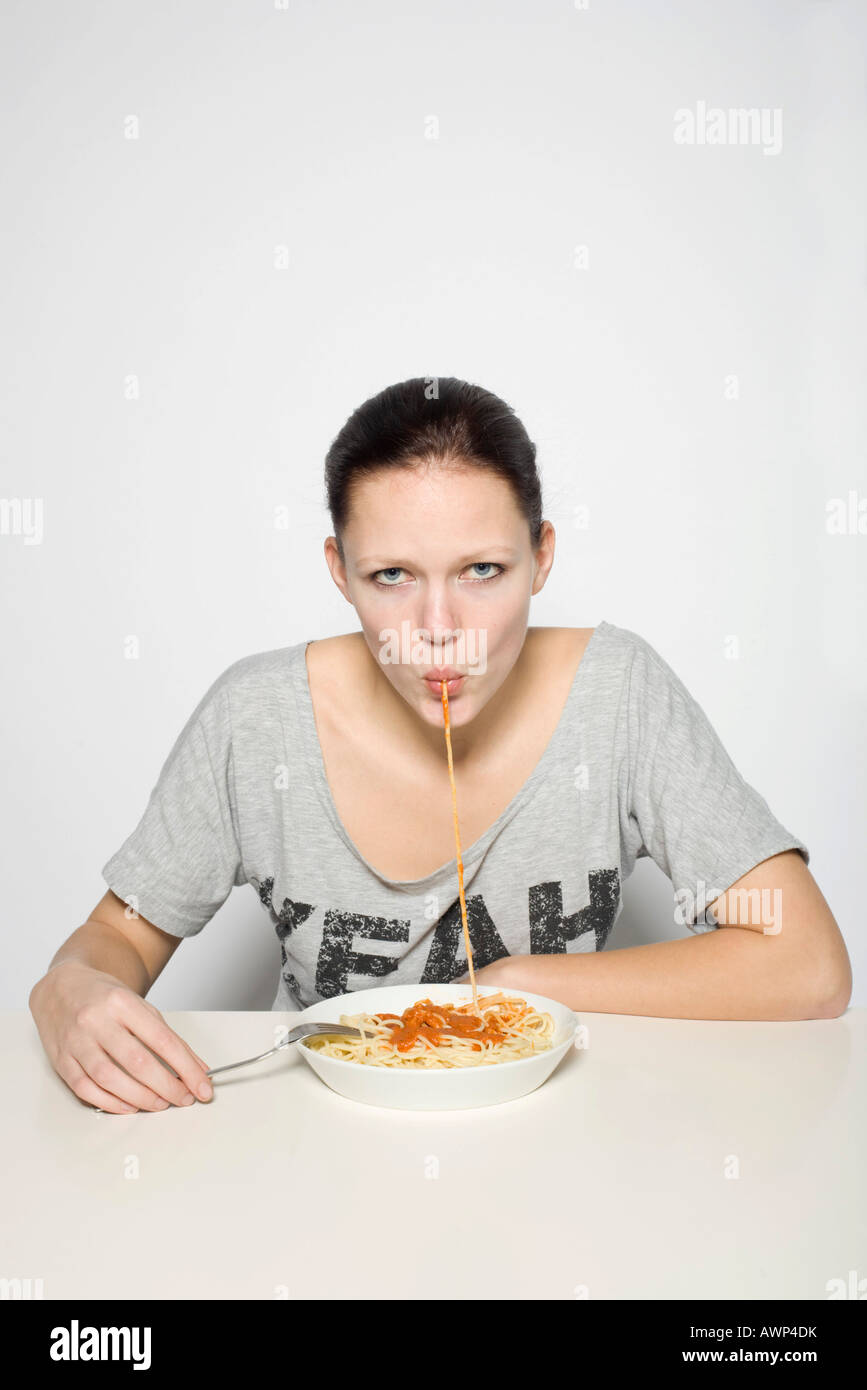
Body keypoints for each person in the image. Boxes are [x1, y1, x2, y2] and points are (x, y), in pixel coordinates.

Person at [28, 376, 852, 1115]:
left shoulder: (620, 695)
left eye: (482, 570)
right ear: (339, 572)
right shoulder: (257, 718)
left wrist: (516, 982)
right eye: (391, 576)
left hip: (561, 1143)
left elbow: (807, 963)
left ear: (542, 558)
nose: (438, 633)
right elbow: (122, 938)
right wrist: (67, 990)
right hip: (306, 1145)